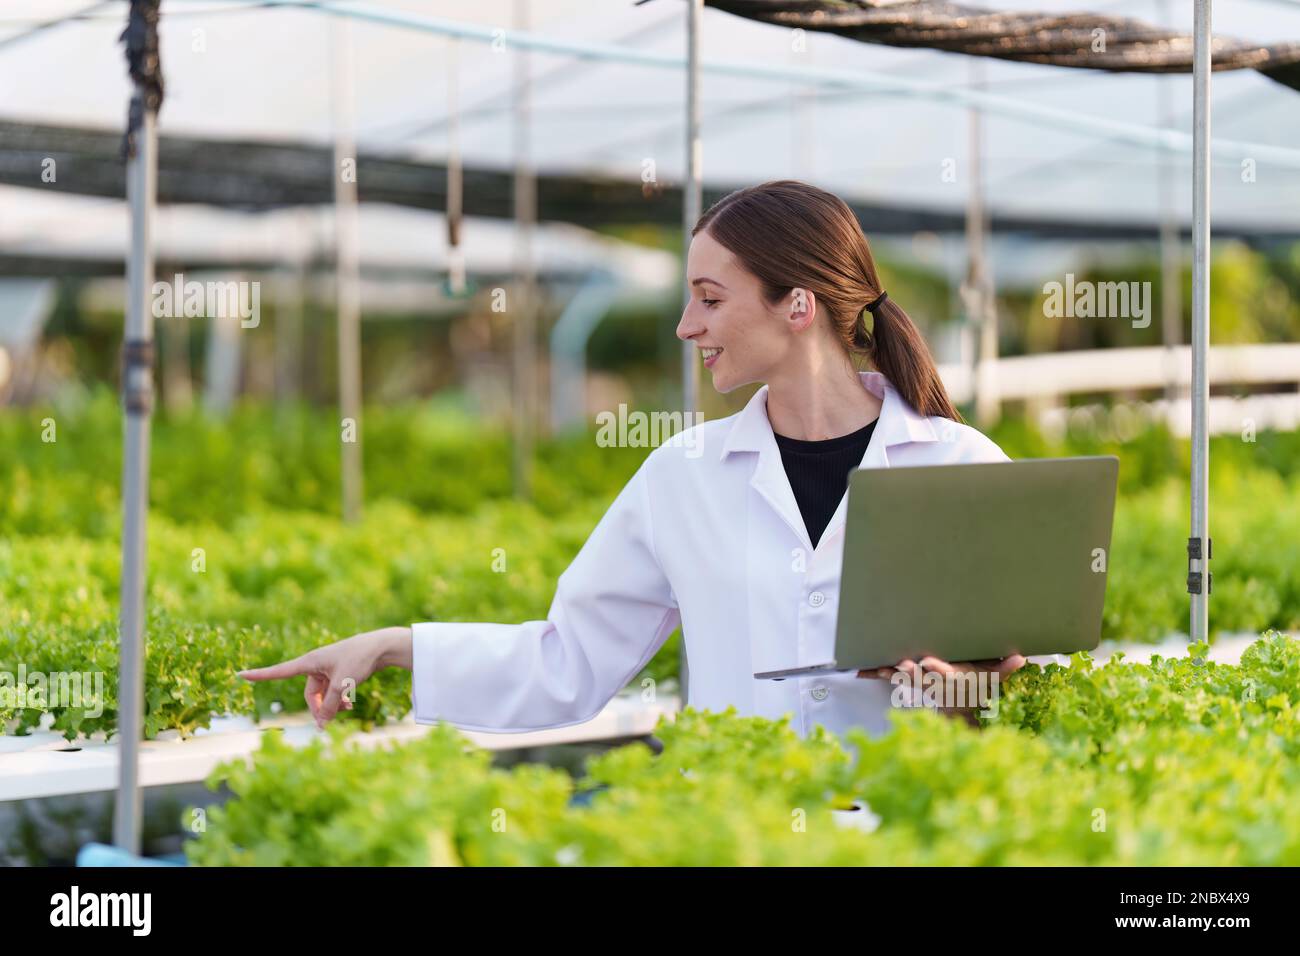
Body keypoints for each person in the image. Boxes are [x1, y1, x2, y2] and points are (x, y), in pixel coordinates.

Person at [239, 180, 1025, 740]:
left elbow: (1027, 677)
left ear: (798, 306)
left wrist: (964, 691)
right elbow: (567, 662)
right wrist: (391, 646)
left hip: (910, 836)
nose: (686, 326)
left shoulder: (958, 463)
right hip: (735, 835)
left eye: (710, 299)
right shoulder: (682, 477)